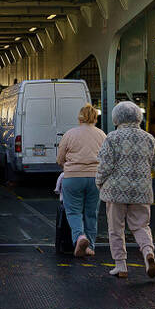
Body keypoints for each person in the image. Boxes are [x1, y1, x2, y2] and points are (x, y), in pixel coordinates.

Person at [95, 101, 155, 278]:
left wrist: (99, 182)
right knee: (141, 226)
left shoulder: (112, 138)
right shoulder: (148, 138)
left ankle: (121, 266)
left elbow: (105, 166)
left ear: (117, 117)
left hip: (116, 192)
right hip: (142, 192)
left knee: (116, 229)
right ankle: (148, 253)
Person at [55, 104, 106, 257]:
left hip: (73, 177)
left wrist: (69, 167)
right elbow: (106, 159)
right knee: (91, 213)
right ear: (95, 118)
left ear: (80, 117)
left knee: (73, 211)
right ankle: (89, 246)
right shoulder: (102, 135)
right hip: (95, 178)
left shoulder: (70, 134)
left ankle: (79, 237)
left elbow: (60, 159)